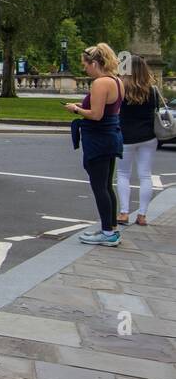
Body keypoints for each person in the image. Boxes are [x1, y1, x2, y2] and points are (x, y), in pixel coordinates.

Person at [65, 43, 124, 246]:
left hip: (98, 139)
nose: (84, 69)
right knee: (107, 185)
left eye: (85, 64)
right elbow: (107, 110)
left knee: (99, 186)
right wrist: (84, 107)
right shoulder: (117, 81)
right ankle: (112, 228)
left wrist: (75, 109)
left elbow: (96, 115)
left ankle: (107, 233)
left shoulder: (100, 83)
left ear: (95, 63)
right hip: (111, 136)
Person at [117, 54, 161, 227]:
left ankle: (124, 212)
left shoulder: (121, 89)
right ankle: (142, 215)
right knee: (145, 175)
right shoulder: (152, 89)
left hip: (126, 137)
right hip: (148, 136)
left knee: (123, 174)